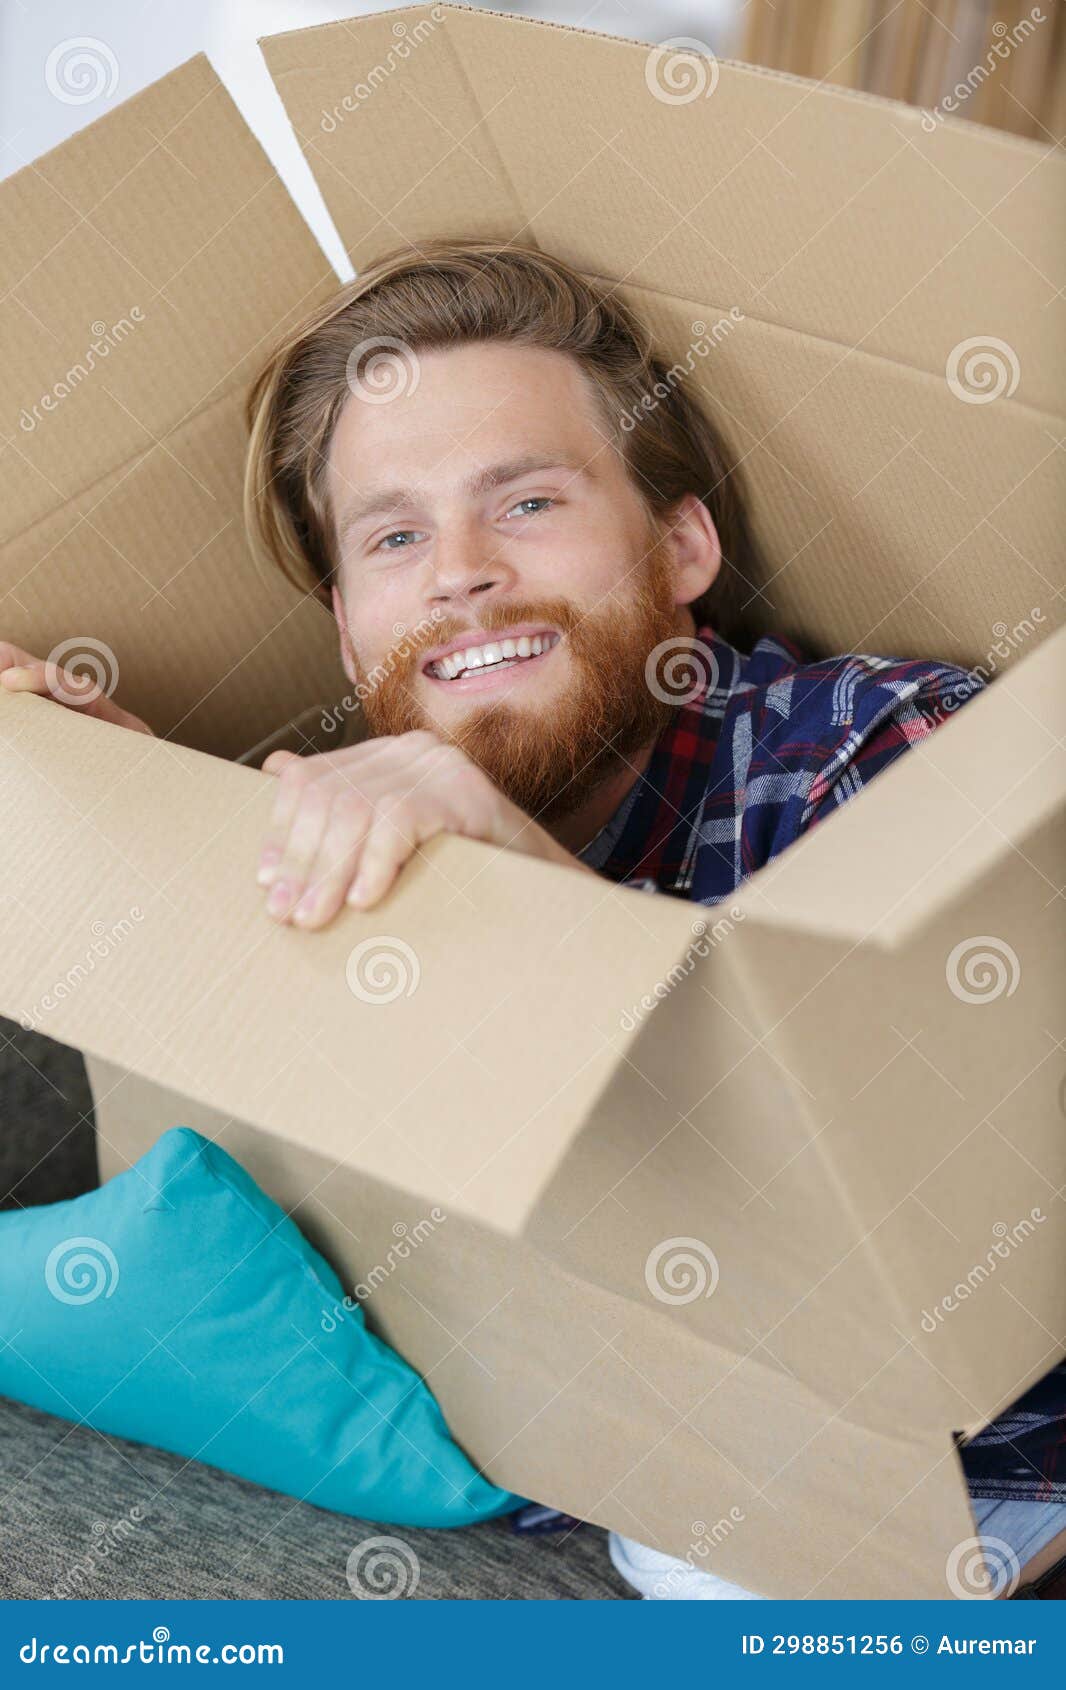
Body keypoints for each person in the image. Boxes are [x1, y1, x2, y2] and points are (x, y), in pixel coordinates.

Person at [3, 238, 1061, 1599]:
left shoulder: (883, 751)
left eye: (526, 502)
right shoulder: (342, 834)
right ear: (344, 629)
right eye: (393, 535)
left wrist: (532, 897)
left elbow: (910, 1244)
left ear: (680, 545)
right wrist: (134, 830)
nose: (458, 572)